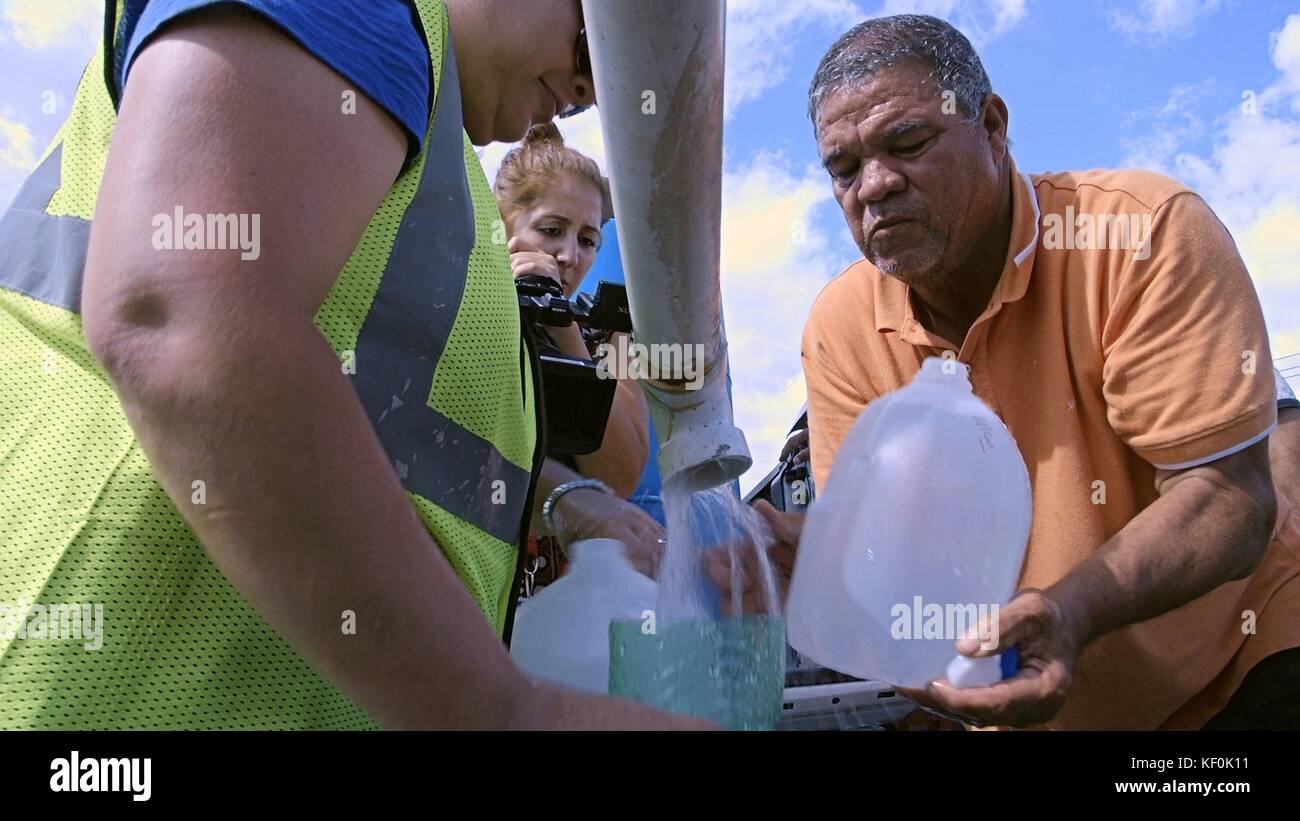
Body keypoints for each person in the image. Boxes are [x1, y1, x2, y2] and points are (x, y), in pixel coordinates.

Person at [0, 0, 705, 729]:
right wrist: (503, 707)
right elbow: (182, 319)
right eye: (597, 35)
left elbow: (404, 444)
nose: (595, 85)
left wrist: (560, 499)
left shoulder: (448, 203)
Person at [797, 14, 1300, 729]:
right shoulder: (840, 329)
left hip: (1234, 675)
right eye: (843, 169)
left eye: (907, 143)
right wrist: (804, 553)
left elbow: (1228, 497)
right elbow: (889, 551)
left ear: (994, 127)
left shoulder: (1137, 237)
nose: (873, 185)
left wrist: (1071, 609)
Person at [492, 123, 661, 591]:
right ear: (502, 222)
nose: (569, 255)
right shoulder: (462, 303)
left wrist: (561, 324)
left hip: (560, 593)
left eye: (588, 240)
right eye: (551, 231)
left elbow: (620, 473)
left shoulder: (614, 331)